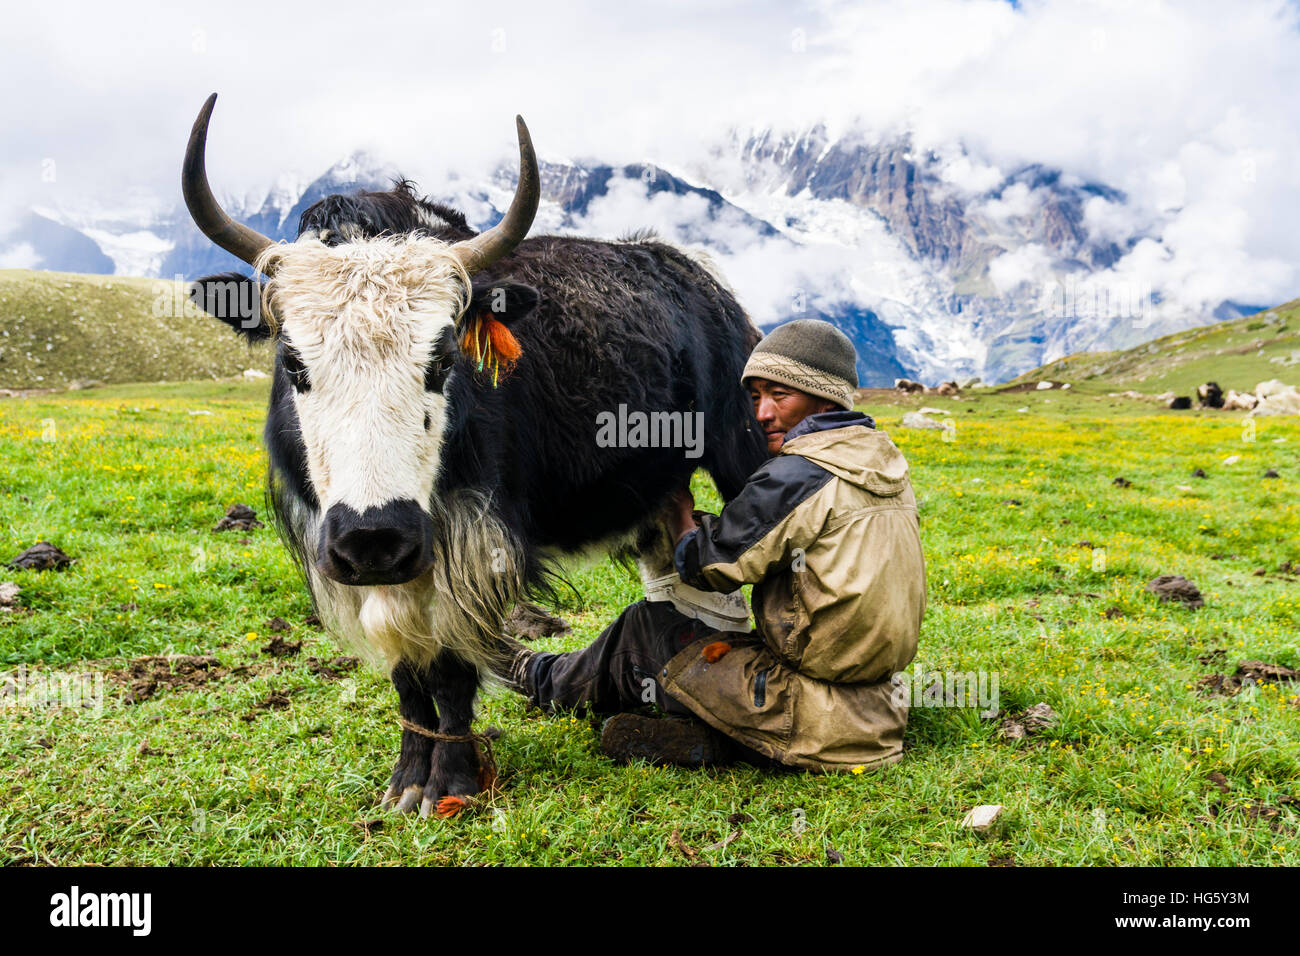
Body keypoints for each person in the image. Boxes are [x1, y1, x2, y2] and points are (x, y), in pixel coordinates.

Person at [492, 319, 927, 773]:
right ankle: (719, 739)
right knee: (712, 647)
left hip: (800, 706)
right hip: (878, 713)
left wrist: (680, 513)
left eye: (781, 395)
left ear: (827, 397)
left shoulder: (800, 474)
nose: (762, 414)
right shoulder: (884, 462)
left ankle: (534, 676)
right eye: (756, 396)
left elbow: (713, 563)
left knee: (645, 628)